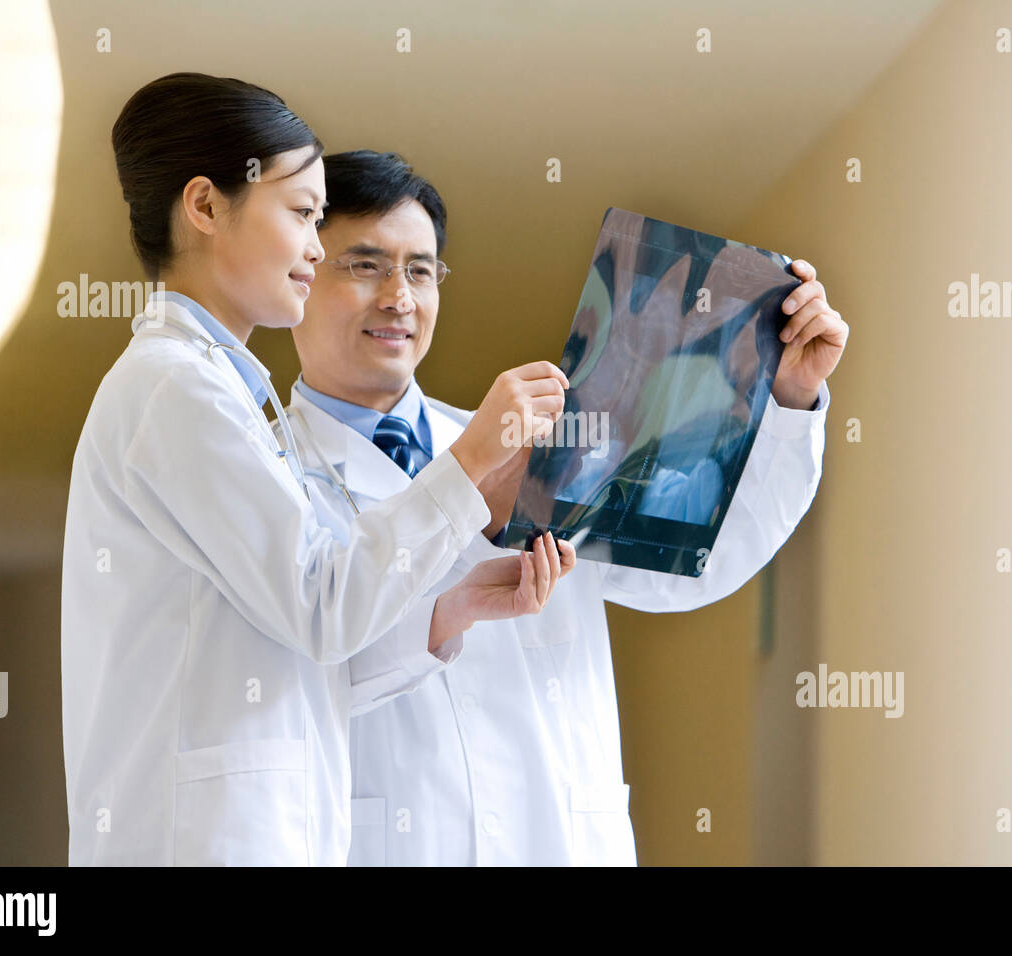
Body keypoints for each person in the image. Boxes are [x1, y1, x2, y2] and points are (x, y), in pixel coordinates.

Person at [60, 74, 573, 866]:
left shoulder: (220, 390)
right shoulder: (173, 386)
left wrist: (446, 612)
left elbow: (304, 651)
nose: (313, 246)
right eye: (302, 213)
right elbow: (323, 603)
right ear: (204, 206)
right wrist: (472, 457)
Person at [284, 150, 847, 865]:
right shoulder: (265, 478)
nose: (399, 296)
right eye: (365, 265)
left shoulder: (554, 444)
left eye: (420, 270)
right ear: (300, 274)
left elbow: (695, 568)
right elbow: (281, 686)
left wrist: (791, 396)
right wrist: (465, 508)